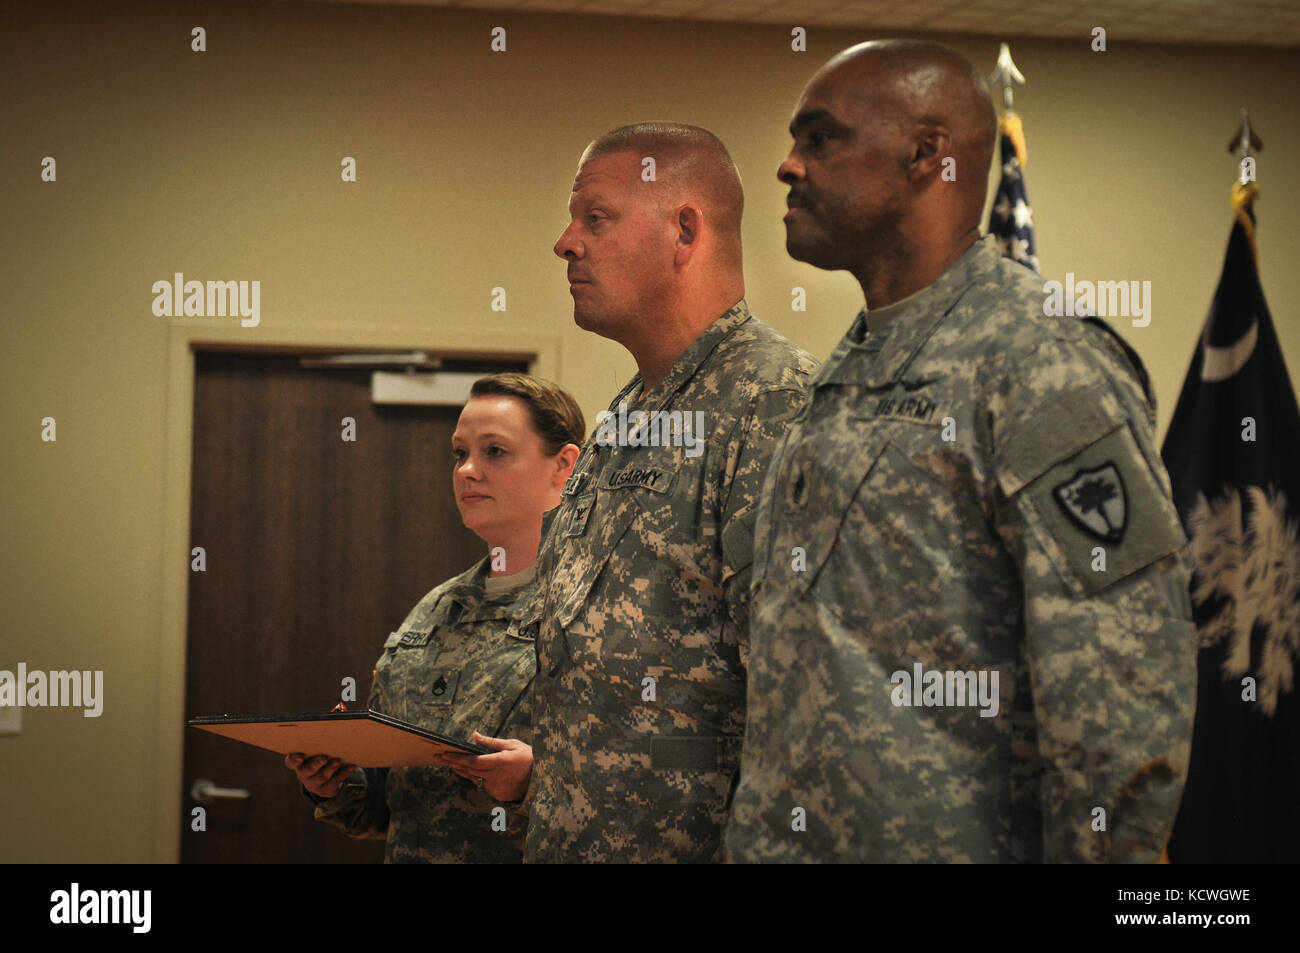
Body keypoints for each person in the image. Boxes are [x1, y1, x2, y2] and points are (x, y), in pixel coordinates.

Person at [724, 40, 1196, 863]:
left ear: (925, 155)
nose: (788, 167)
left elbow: (1118, 688)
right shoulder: (851, 365)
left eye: (821, 138)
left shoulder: (1040, 362)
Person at [516, 122, 818, 863]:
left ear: (685, 232)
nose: (565, 242)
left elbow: (804, 715)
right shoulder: (630, 412)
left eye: (596, 217)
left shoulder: (772, 402)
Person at [285, 373, 583, 862]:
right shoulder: (437, 609)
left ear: (564, 465)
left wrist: (536, 782)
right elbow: (388, 809)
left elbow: (658, 788)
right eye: (459, 452)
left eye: (495, 452)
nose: (467, 470)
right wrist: (334, 784)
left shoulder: (600, 606)